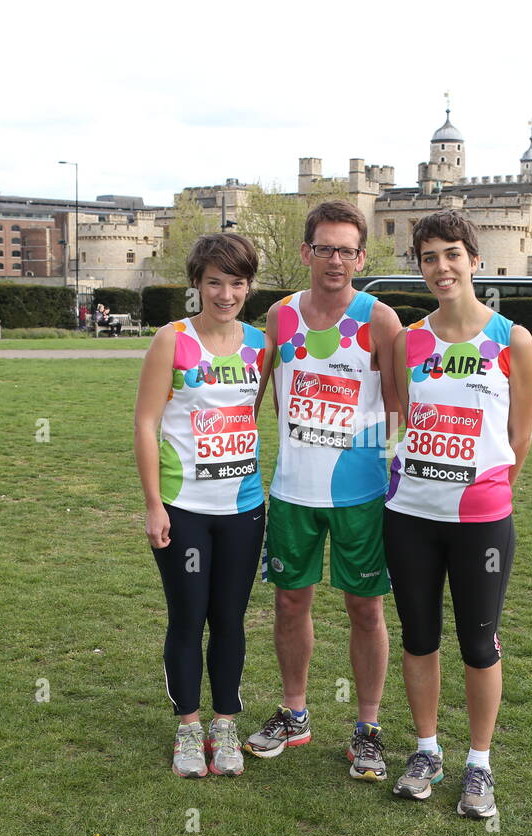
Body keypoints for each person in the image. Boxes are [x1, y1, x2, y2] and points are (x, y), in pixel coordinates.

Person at [385, 210, 532, 818]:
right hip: (411, 515)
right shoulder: (410, 341)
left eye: (452, 254)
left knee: (479, 643)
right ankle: (426, 750)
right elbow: (398, 422)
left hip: (482, 520)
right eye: (429, 257)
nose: (441, 267)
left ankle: (479, 764)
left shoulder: (512, 340)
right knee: (420, 637)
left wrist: (489, 490)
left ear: (475, 259)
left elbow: (519, 438)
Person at [245, 200, 402, 782]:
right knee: (290, 602)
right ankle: (294, 713)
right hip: (292, 490)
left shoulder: (380, 319)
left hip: (359, 493)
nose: (335, 259)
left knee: (365, 608)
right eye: (324, 248)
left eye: (346, 249)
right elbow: (255, 396)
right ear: (306, 252)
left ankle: (366, 729)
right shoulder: (280, 317)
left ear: (361, 256)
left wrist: (383, 465)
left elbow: (396, 406)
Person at [133, 233, 266, 778]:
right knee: (188, 618)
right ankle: (189, 728)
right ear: (197, 283)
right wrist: (152, 505)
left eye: (236, 282)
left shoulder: (261, 343)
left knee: (230, 620)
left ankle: (225, 723)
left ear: (248, 286)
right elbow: (145, 422)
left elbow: (249, 413)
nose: (226, 293)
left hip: (243, 507)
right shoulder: (173, 339)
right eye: (215, 281)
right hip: (182, 507)